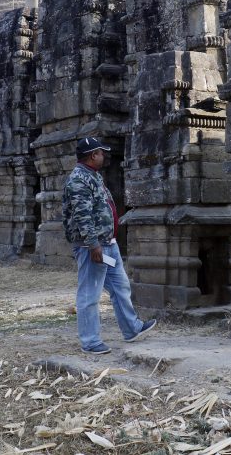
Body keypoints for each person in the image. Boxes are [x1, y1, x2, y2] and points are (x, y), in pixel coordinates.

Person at [63, 137, 156, 354]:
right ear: (92, 155)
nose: (104, 156)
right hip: (92, 246)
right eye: (101, 153)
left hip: (107, 244)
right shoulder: (78, 180)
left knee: (120, 286)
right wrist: (93, 244)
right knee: (89, 294)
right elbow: (82, 216)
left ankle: (131, 329)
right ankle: (90, 341)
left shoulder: (93, 176)